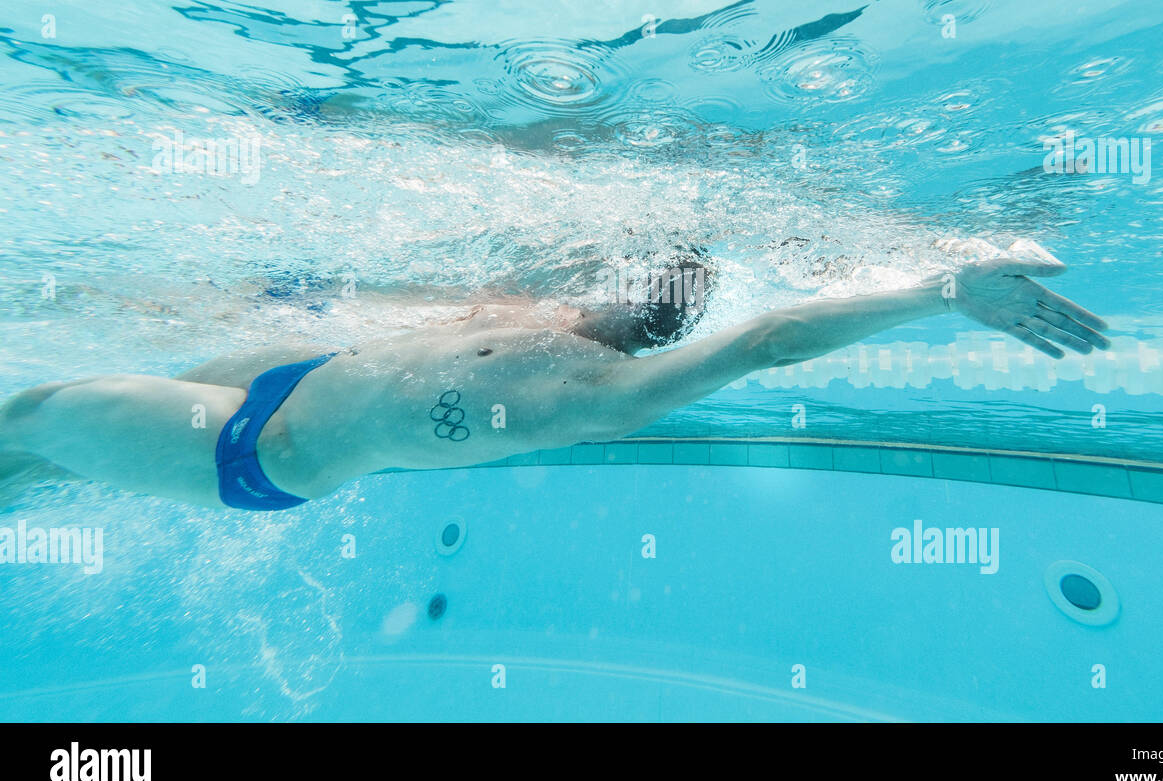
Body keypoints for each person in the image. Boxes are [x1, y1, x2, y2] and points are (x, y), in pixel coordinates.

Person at [0, 250, 1106, 510]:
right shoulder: (536, 313)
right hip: (287, 375)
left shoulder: (604, 397)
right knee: (39, 459)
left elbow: (772, 340)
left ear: (642, 317)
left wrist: (940, 289)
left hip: (255, 453)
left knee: (41, 415)